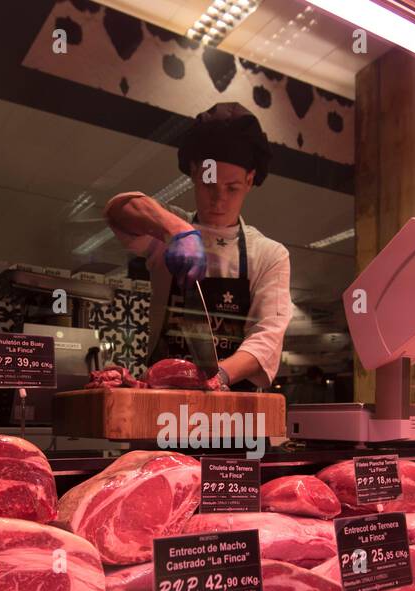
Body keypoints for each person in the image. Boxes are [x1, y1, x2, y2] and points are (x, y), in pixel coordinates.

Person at [104, 102, 292, 391]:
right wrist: (176, 230)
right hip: (159, 400)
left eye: (232, 188)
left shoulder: (269, 254)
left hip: (230, 409)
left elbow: (267, 336)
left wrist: (220, 376)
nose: (219, 199)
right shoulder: (164, 231)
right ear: (194, 173)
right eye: (209, 184)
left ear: (250, 180)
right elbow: (118, 208)